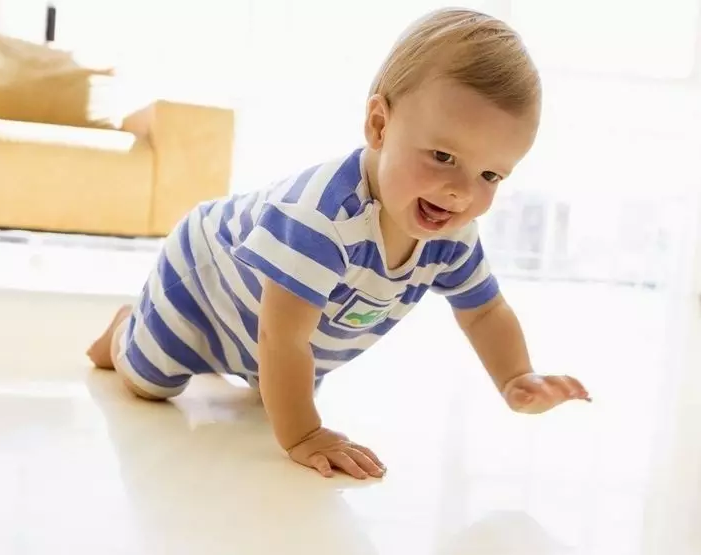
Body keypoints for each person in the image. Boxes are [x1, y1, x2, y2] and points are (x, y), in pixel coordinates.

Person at [87, 8, 591, 481]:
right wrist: (305, 434)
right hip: (205, 281)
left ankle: (251, 374)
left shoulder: (451, 234)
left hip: (283, 329)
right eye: (442, 155)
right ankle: (123, 331)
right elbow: (282, 340)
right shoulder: (323, 219)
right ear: (379, 125)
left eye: (490, 174)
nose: (461, 191)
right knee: (149, 381)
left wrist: (515, 377)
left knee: (276, 387)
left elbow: (484, 312)